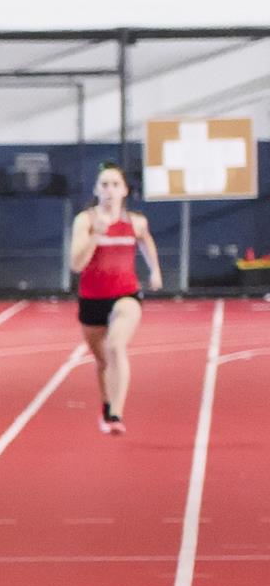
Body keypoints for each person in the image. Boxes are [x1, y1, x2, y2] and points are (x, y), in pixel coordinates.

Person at [70, 161, 162, 434]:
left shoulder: (135, 221)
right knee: (102, 362)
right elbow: (76, 264)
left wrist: (155, 270)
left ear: (124, 190)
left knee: (116, 346)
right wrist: (96, 235)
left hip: (126, 295)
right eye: (104, 184)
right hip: (92, 299)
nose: (109, 190)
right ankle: (107, 404)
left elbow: (146, 240)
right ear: (96, 190)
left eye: (115, 184)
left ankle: (115, 415)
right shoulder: (85, 221)